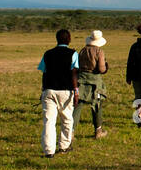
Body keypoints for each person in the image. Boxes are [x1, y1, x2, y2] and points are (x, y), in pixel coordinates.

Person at [38, 29, 79, 157]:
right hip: (66, 90)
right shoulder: (73, 53)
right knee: (67, 119)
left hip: (49, 90)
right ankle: (64, 146)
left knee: (49, 121)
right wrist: (76, 91)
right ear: (69, 39)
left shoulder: (48, 53)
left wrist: (43, 90)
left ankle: (49, 151)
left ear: (57, 39)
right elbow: (74, 73)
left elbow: (44, 72)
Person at [76, 30, 109, 138]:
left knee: (78, 105)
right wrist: (106, 68)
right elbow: (101, 69)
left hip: (81, 80)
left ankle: (70, 132)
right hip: (95, 81)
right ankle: (98, 131)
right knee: (97, 104)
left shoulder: (82, 50)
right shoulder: (99, 51)